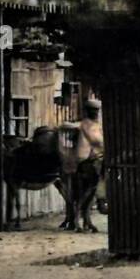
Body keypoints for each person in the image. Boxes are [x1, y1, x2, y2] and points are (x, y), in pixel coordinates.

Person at [59, 98, 104, 232]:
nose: (95, 113)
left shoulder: (96, 125)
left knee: (91, 193)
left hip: (94, 159)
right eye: (93, 111)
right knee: (87, 191)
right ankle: (77, 219)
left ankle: (87, 220)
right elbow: (98, 142)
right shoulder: (86, 124)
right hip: (86, 162)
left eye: (96, 110)